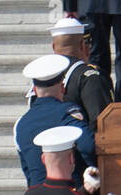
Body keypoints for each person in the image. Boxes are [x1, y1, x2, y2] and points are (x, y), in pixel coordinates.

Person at [13, 54, 96, 187]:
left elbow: (28, 171)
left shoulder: (20, 124)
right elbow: (88, 147)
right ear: (62, 88)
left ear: (34, 89)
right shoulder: (68, 111)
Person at [44, 17, 113, 126]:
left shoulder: (42, 75)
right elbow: (102, 122)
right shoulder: (89, 77)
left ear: (53, 47)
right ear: (82, 45)